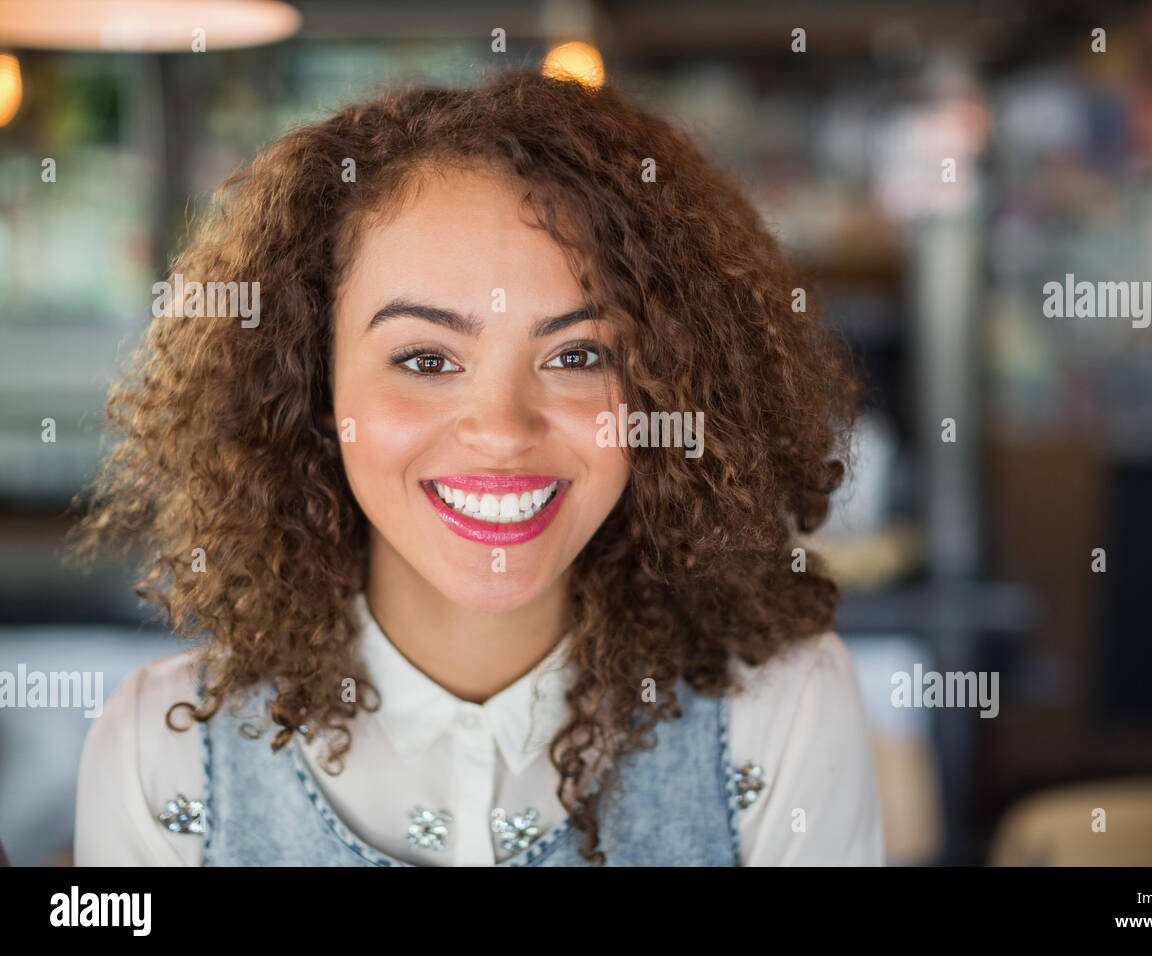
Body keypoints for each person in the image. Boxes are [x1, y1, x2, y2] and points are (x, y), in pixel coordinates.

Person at [69, 67, 882, 866]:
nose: (501, 431)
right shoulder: (161, 755)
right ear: (313, 386)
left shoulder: (781, 715)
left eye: (578, 354)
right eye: (425, 359)